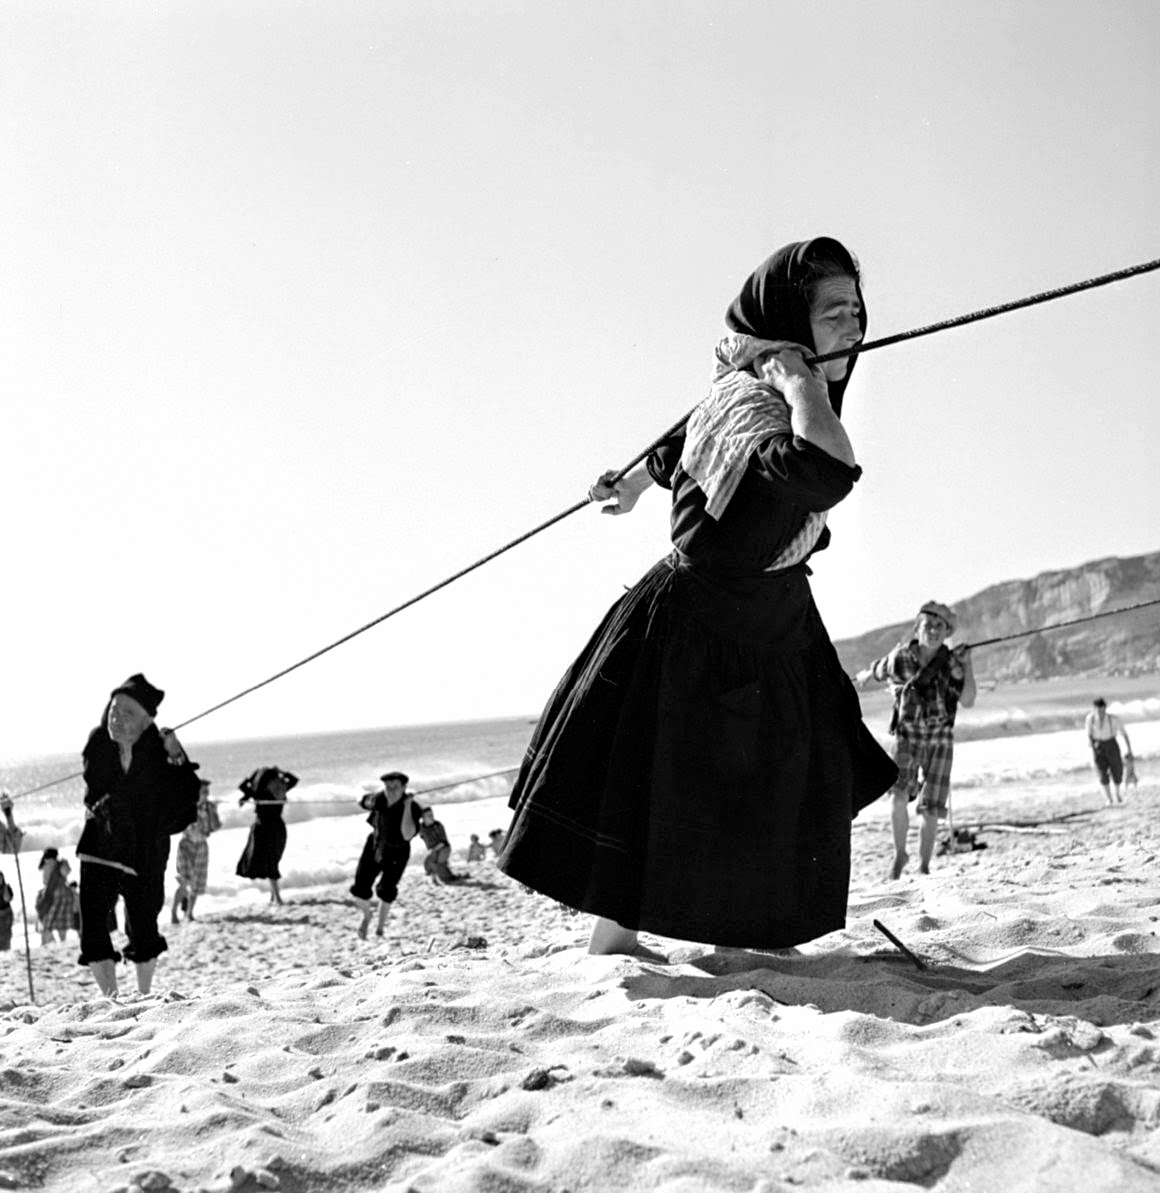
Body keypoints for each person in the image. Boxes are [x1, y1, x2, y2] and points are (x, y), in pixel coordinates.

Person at [498, 237, 897, 955]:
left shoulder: (769, 392)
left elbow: (672, 449)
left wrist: (631, 485)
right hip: (694, 617)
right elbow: (826, 469)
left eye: (857, 310)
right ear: (783, 324)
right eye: (833, 311)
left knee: (769, 775)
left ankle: (736, 935)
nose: (852, 325)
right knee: (661, 772)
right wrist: (795, 377)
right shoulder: (753, 397)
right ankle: (617, 938)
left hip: (773, 615)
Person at [77, 674, 202, 996]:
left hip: (143, 850)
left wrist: (176, 756)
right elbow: (96, 789)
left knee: (144, 925)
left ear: (147, 721)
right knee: (92, 926)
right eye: (114, 710)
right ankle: (111, 997)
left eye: (127, 713)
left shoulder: (159, 750)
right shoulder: (98, 743)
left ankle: (144, 994)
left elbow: (187, 796)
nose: (116, 718)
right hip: (100, 845)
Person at [856, 601, 976, 879]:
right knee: (898, 796)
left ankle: (923, 865)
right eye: (928, 625)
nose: (933, 631)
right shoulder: (900, 657)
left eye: (939, 626)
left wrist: (967, 665)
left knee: (931, 806)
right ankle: (900, 854)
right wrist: (863, 676)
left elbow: (968, 699)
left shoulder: (952, 665)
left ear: (947, 632)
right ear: (917, 629)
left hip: (940, 738)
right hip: (907, 734)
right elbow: (878, 669)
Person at [350, 771, 420, 939]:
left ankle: (380, 928)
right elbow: (364, 801)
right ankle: (367, 917)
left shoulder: (413, 807)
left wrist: (408, 805)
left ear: (404, 787)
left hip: (398, 853)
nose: (390, 790)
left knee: (386, 890)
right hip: (375, 846)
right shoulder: (379, 799)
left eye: (395, 787)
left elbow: (407, 835)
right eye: (387, 786)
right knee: (360, 888)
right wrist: (361, 798)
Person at [236, 767, 297, 905]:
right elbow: (293, 780)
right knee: (272, 862)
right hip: (273, 828)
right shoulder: (279, 789)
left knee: (271, 862)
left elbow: (242, 786)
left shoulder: (258, 792)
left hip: (263, 828)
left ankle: (274, 896)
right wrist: (282, 772)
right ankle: (276, 897)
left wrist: (252, 777)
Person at [172, 779, 221, 923]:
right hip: (187, 845)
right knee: (184, 881)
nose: (205, 794)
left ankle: (189, 913)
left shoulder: (208, 808)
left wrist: (212, 812)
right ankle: (174, 912)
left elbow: (215, 827)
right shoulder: (187, 806)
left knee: (196, 884)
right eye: (203, 792)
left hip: (201, 846)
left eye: (207, 792)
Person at [1085, 698, 1133, 806]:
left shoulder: (1113, 719)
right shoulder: (1090, 719)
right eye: (1098, 710)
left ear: (1105, 708)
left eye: (1102, 710)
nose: (1100, 713)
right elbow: (1088, 734)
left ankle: (1117, 794)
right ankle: (1109, 798)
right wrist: (1092, 747)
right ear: (1094, 709)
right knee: (1102, 773)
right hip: (1098, 746)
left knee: (1117, 770)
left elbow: (1124, 734)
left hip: (1111, 744)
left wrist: (1129, 749)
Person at [36, 848, 76, 945]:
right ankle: (63, 941)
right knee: (62, 921)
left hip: (51, 894)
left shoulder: (46, 865)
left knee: (47, 920)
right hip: (65, 893)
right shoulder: (61, 864)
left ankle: (47, 942)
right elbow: (67, 872)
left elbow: (45, 881)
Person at [417, 808, 462, 884]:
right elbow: (418, 834)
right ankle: (434, 879)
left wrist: (434, 850)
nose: (431, 817)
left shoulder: (438, 825)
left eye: (432, 815)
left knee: (439, 864)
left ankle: (449, 878)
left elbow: (443, 842)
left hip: (444, 848)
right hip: (433, 849)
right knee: (428, 862)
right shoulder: (421, 827)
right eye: (429, 815)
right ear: (423, 818)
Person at [0, 869, 14, 952]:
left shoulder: (7, 888)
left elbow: (7, 899)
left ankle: (6, 949)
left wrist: (4, 888)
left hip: (6, 913)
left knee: (7, 934)